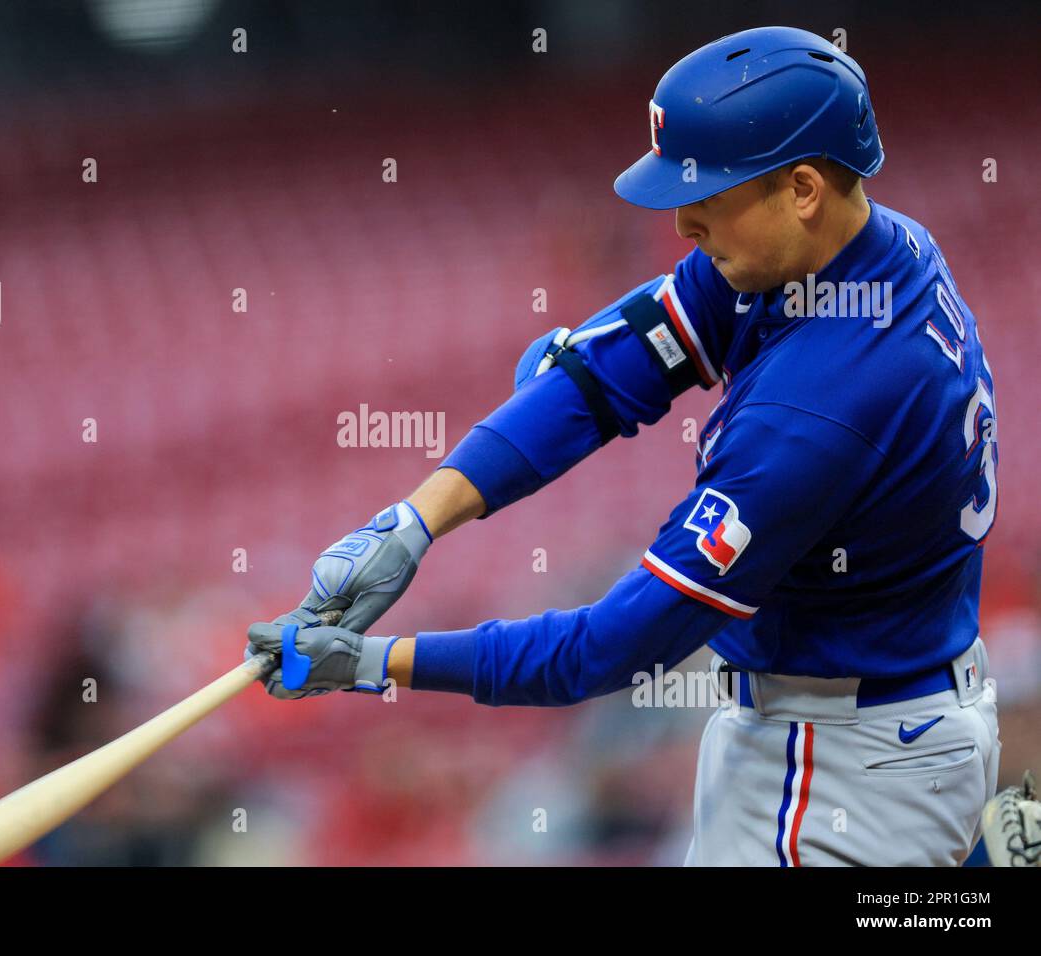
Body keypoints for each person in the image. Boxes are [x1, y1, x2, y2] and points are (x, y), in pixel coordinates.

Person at [245, 26, 1001, 866]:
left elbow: (605, 651)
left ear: (802, 187)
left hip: (846, 773)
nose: (681, 224)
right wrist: (412, 523)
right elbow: (609, 372)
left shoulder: (818, 408)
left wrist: (375, 663)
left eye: (707, 200)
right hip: (887, 721)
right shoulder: (857, 251)